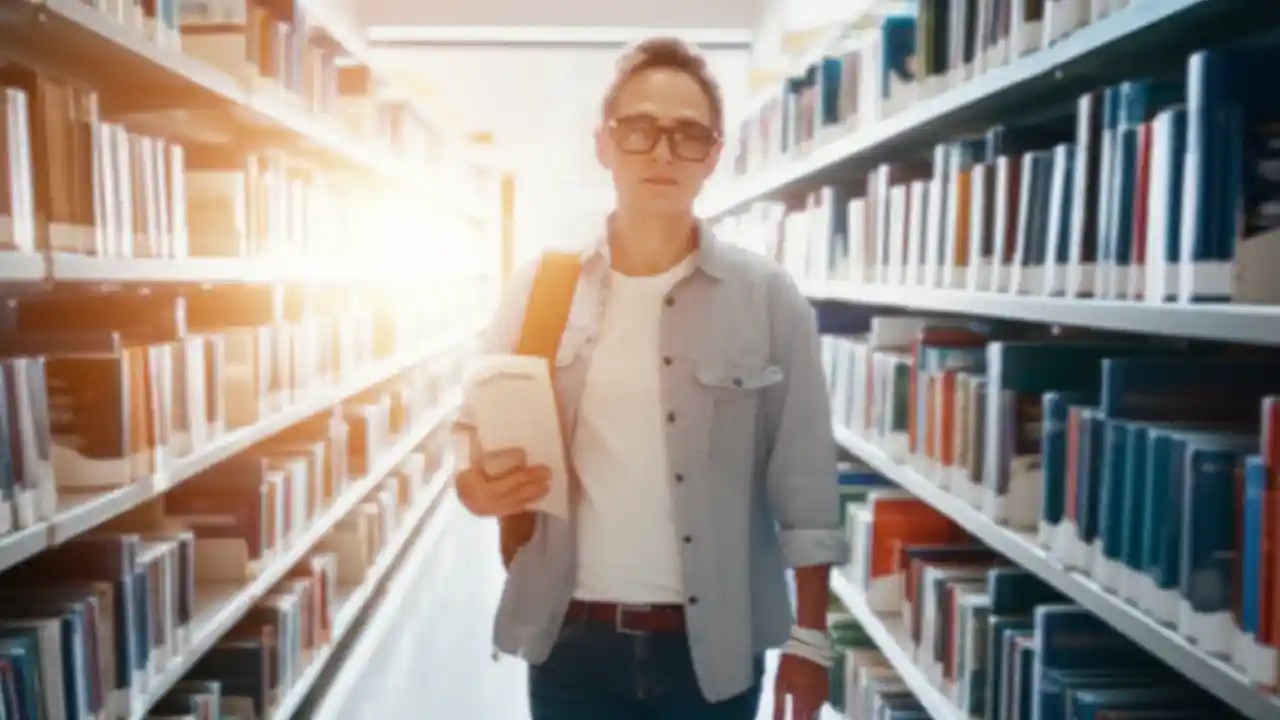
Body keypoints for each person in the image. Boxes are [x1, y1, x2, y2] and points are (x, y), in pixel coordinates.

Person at [453, 36, 847, 720]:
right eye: (639, 130)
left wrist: (810, 641)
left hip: (712, 652)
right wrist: (478, 486)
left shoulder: (766, 297)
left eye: (688, 136)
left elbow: (807, 486)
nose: (663, 152)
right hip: (571, 644)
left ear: (714, 156)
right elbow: (470, 440)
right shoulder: (542, 288)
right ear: (604, 144)